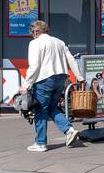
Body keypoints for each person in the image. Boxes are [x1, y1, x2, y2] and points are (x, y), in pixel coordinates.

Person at [20, 20, 82, 152]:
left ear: (36, 31)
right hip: (61, 78)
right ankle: (69, 130)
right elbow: (71, 59)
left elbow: (34, 66)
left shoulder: (35, 43)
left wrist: (25, 84)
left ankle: (40, 143)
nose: (32, 35)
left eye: (32, 33)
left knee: (40, 110)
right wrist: (80, 77)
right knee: (52, 107)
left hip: (44, 80)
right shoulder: (59, 42)